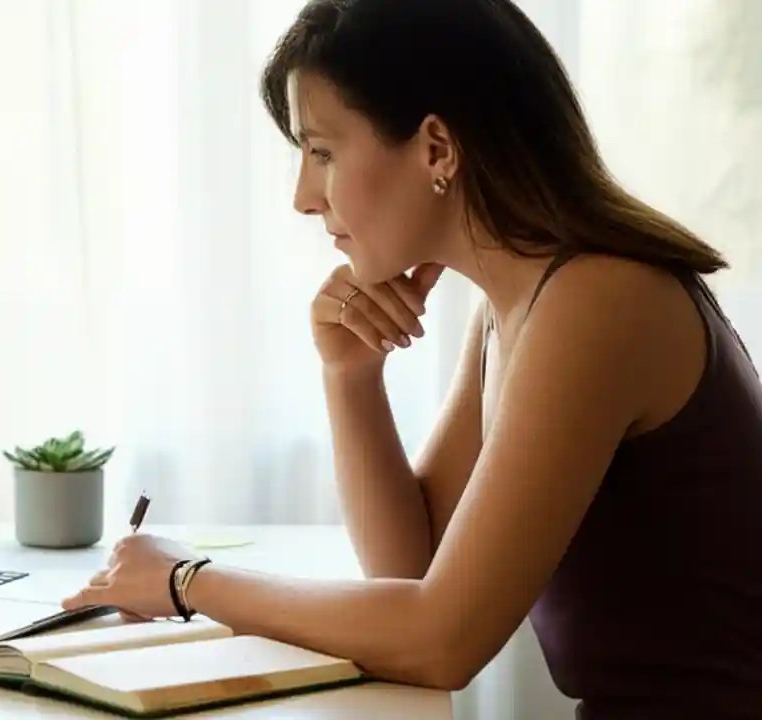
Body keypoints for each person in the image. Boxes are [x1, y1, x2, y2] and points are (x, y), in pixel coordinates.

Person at [61, 0, 762, 717]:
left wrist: (187, 580)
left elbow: (440, 642)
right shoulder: (514, 307)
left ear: (436, 148)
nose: (304, 196)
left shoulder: (598, 302)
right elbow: (412, 569)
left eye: (323, 152)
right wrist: (349, 375)